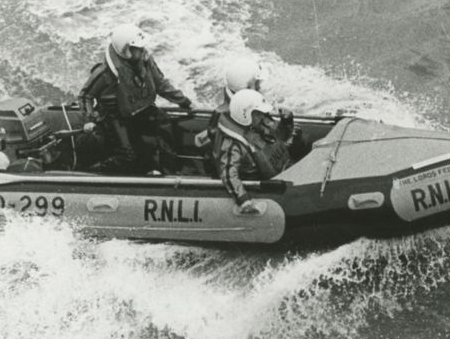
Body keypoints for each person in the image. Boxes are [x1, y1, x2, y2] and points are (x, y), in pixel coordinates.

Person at [78, 24, 193, 173]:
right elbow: (85, 95)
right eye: (137, 49)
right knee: (128, 156)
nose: (142, 50)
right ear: (125, 50)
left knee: (165, 125)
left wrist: (184, 102)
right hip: (117, 116)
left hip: (141, 108)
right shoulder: (106, 73)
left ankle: (165, 169)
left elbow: (161, 85)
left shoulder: (145, 61)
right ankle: (92, 172)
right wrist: (89, 119)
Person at [214, 89, 296, 213]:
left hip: (285, 170)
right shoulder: (234, 144)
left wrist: (286, 122)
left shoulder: (259, 126)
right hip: (262, 183)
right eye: (257, 113)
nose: (262, 116)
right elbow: (228, 173)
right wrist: (243, 200)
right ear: (245, 115)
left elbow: (280, 138)